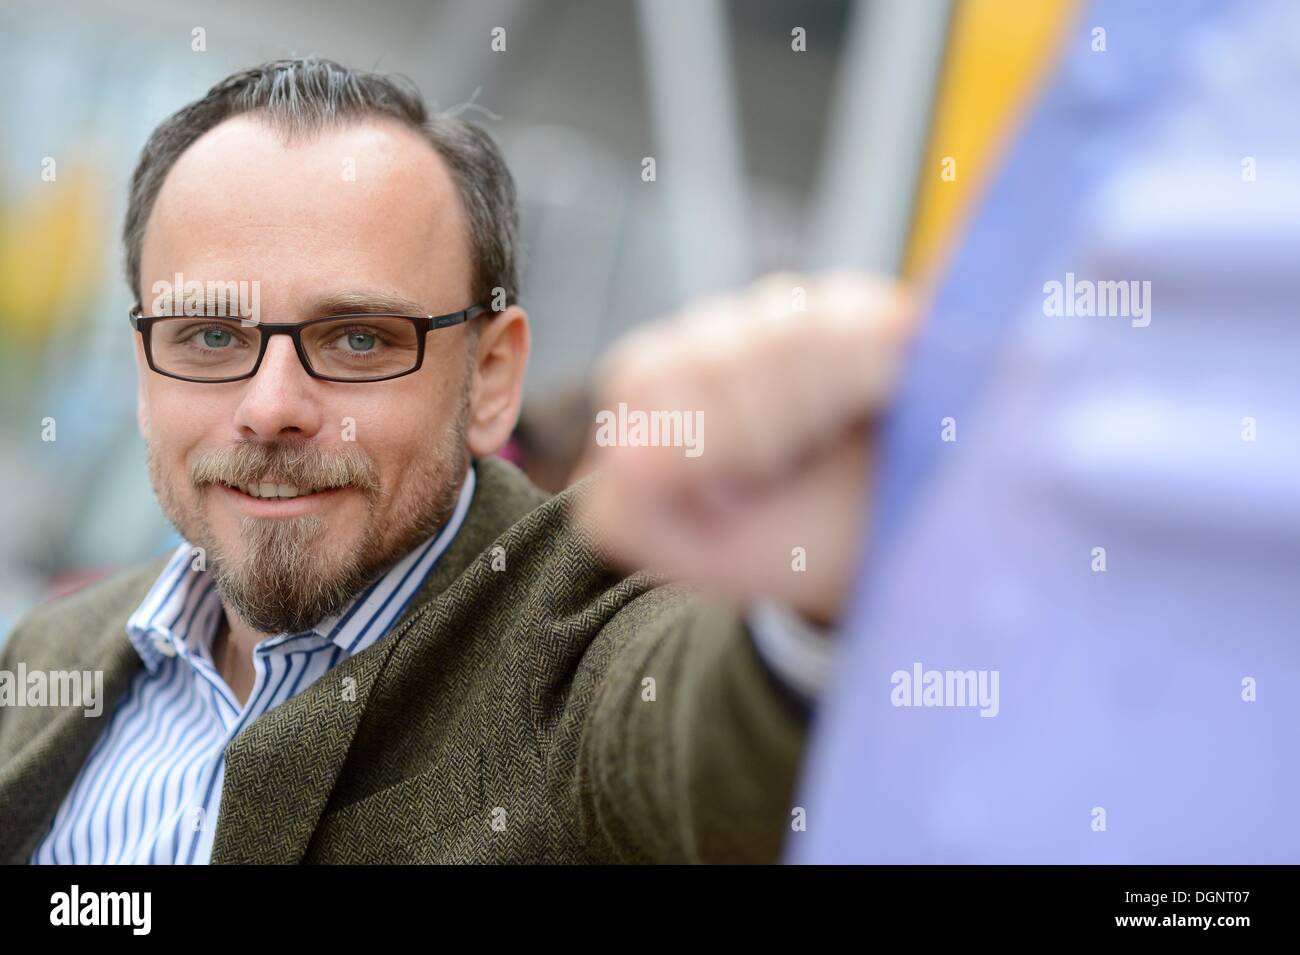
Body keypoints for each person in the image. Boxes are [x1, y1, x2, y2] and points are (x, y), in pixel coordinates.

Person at [0, 58, 913, 864]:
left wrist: (817, 609)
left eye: (358, 338)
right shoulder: (57, 647)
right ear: (143, 368)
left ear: (491, 379)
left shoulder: (580, 632)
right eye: (208, 334)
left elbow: (702, 755)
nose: (270, 406)